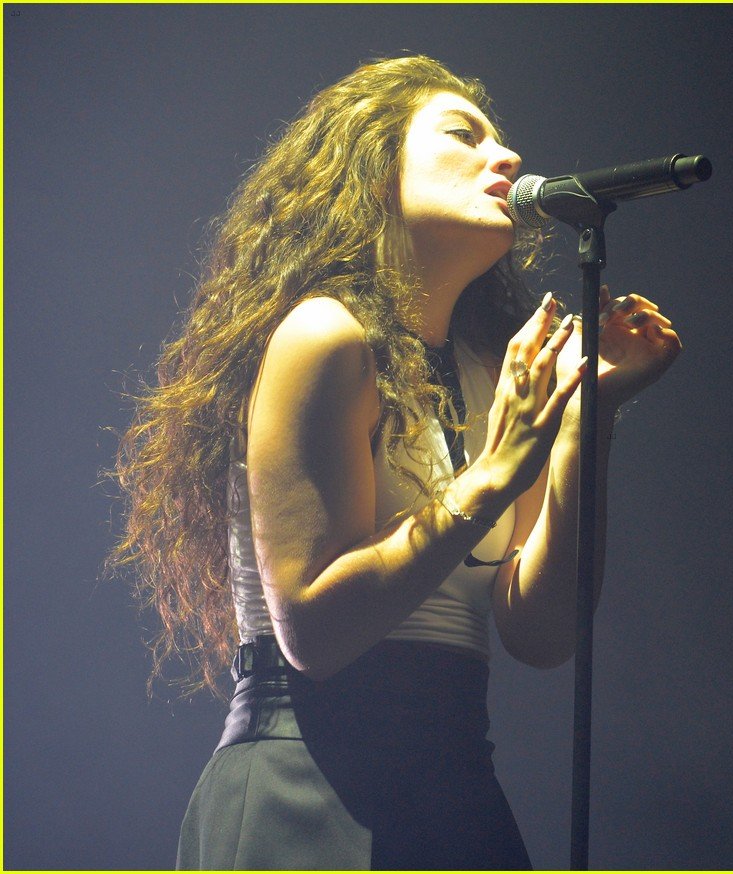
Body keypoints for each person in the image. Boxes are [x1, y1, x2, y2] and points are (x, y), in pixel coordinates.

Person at [109, 55, 681, 869]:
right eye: (464, 135)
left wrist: (588, 420)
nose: (508, 159)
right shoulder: (326, 336)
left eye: (504, 142)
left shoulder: (493, 372)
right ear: (375, 172)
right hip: (307, 783)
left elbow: (541, 632)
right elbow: (314, 632)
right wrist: (493, 475)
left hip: (452, 783)